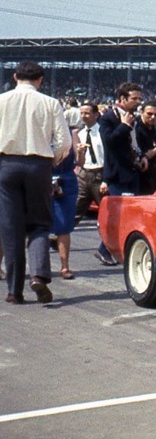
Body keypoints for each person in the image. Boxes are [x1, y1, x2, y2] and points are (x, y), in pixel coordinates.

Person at [0, 61, 72, 304]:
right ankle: (38, 275)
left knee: (11, 229)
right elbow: (64, 142)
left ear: (14, 77)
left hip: (6, 165)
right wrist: (52, 161)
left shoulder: (1, 100)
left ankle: (13, 291)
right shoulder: (51, 103)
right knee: (40, 224)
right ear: (41, 80)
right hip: (39, 164)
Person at [96, 82, 144, 266]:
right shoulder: (108, 118)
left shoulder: (134, 118)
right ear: (122, 99)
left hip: (133, 171)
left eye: (140, 98)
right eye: (134, 99)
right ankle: (104, 249)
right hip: (117, 174)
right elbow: (109, 142)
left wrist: (141, 157)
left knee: (130, 214)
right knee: (118, 214)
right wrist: (123, 126)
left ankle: (112, 248)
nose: (138, 102)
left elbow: (134, 143)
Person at [74, 101, 106, 220]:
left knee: (105, 212)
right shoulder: (78, 133)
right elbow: (79, 161)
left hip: (100, 174)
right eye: (81, 113)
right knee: (75, 210)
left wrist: (106, 180)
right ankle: (57, 236)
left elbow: (109, 157)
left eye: (87, 113)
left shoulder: (103, 131)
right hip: (83, 174)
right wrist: (80, 153)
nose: (83, 116)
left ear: (96, 115)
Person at [50, 147, 79, 279]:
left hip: (65, 181)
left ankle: (65, 266)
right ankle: (38, 268)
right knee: (33, 226)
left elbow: (80, 162)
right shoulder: (37, 129)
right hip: (40, 177)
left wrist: (81, 153)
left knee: (64, 225)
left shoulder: (71, 134)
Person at [133, 100, 156, 195]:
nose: (153, 117)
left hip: (153, 174)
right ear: (141, 112)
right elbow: (142, 156)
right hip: (140, 174)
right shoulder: (136, 130)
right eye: (149, 114)